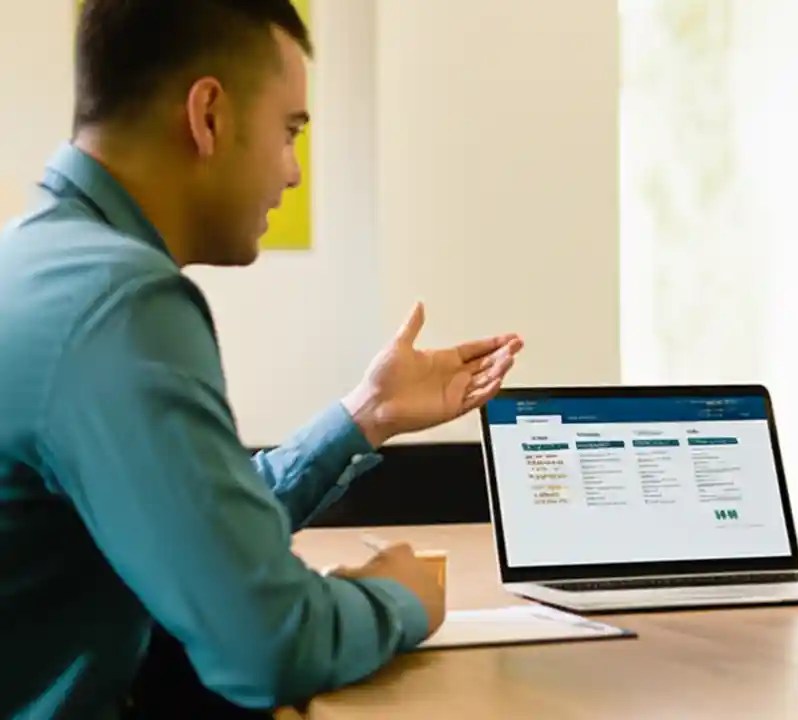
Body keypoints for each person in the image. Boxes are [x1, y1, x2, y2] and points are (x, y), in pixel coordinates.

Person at [0, 0, 524, 716]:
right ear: (208, 114)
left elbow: (190, 530)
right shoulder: (119, 304)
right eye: (289, 133)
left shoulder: (33, 263)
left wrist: (362, 416)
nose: (293, 174)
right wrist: (398, 598)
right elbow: (269, 643)